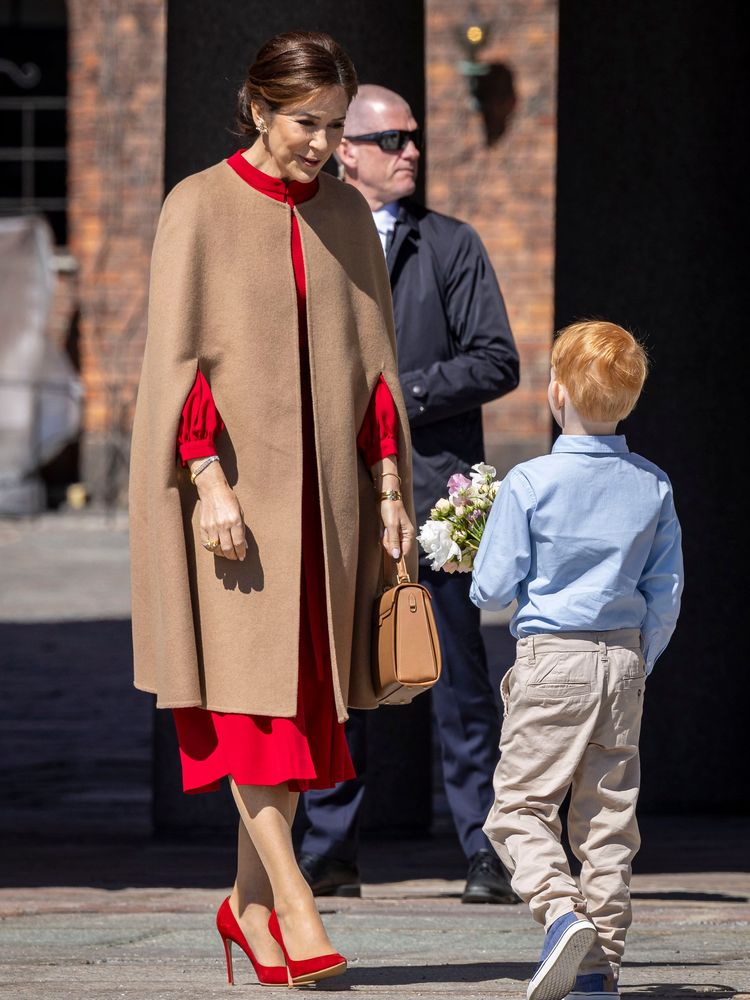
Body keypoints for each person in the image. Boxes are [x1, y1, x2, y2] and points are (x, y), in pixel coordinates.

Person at [128, 33, 418, 989]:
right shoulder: (198, 207)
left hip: (326, 515)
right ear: (257, 109)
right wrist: (207, 486)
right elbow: (178, 368)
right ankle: (295, 902)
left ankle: (244, 907)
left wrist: (386, 498)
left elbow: (374, 372)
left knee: (298, 718)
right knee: (249, 713)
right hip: (233, 510)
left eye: (337, 127)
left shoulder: (344, 211)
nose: (324, 145)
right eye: (307, 123)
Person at [298, 84, 521, 904]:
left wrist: (399, 394)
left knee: (458, 679)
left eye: (413, 138)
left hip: (435, 497)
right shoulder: (313, 236)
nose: (410, 152)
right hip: (338, 493)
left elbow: (498, 360)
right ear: (345, 151)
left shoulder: (452, 245)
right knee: (337, 674)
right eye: (391, 139)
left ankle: (486, 850)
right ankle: (329, 849)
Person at [470, 320, 683, 1000]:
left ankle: (560, 914)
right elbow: (666, 591)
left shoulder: (531, 482)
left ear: (556, 392)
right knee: (608, 822)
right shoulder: (652, 486)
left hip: (550, 661)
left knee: (518, 810)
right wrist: (641, 656)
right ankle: (602, 967)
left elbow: (493, 587)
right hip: (623, 661)